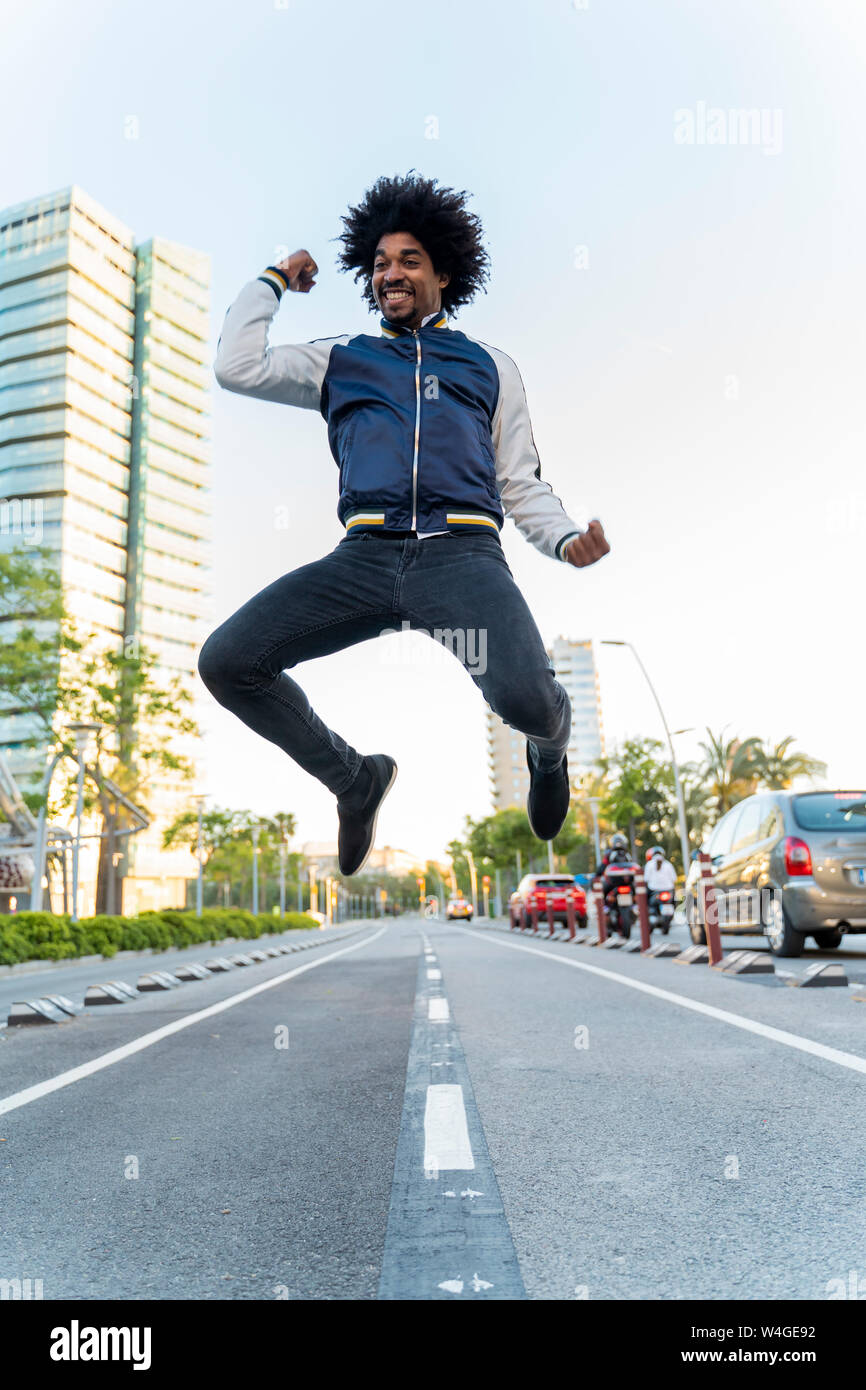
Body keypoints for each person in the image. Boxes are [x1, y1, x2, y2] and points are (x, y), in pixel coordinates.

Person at [198, 173, 610, 876]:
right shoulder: (343, 359)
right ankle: (355, 780)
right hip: (363, 559)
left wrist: (566, 538)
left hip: (464, 559)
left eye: (409, 260)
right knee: (229, 663)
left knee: (526, 701)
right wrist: (272, 278)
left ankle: (550, 747)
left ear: (443, 273)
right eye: (381, 262)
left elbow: (519, 482)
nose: (391, 272)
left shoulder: (490, 367)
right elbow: (238, 366)